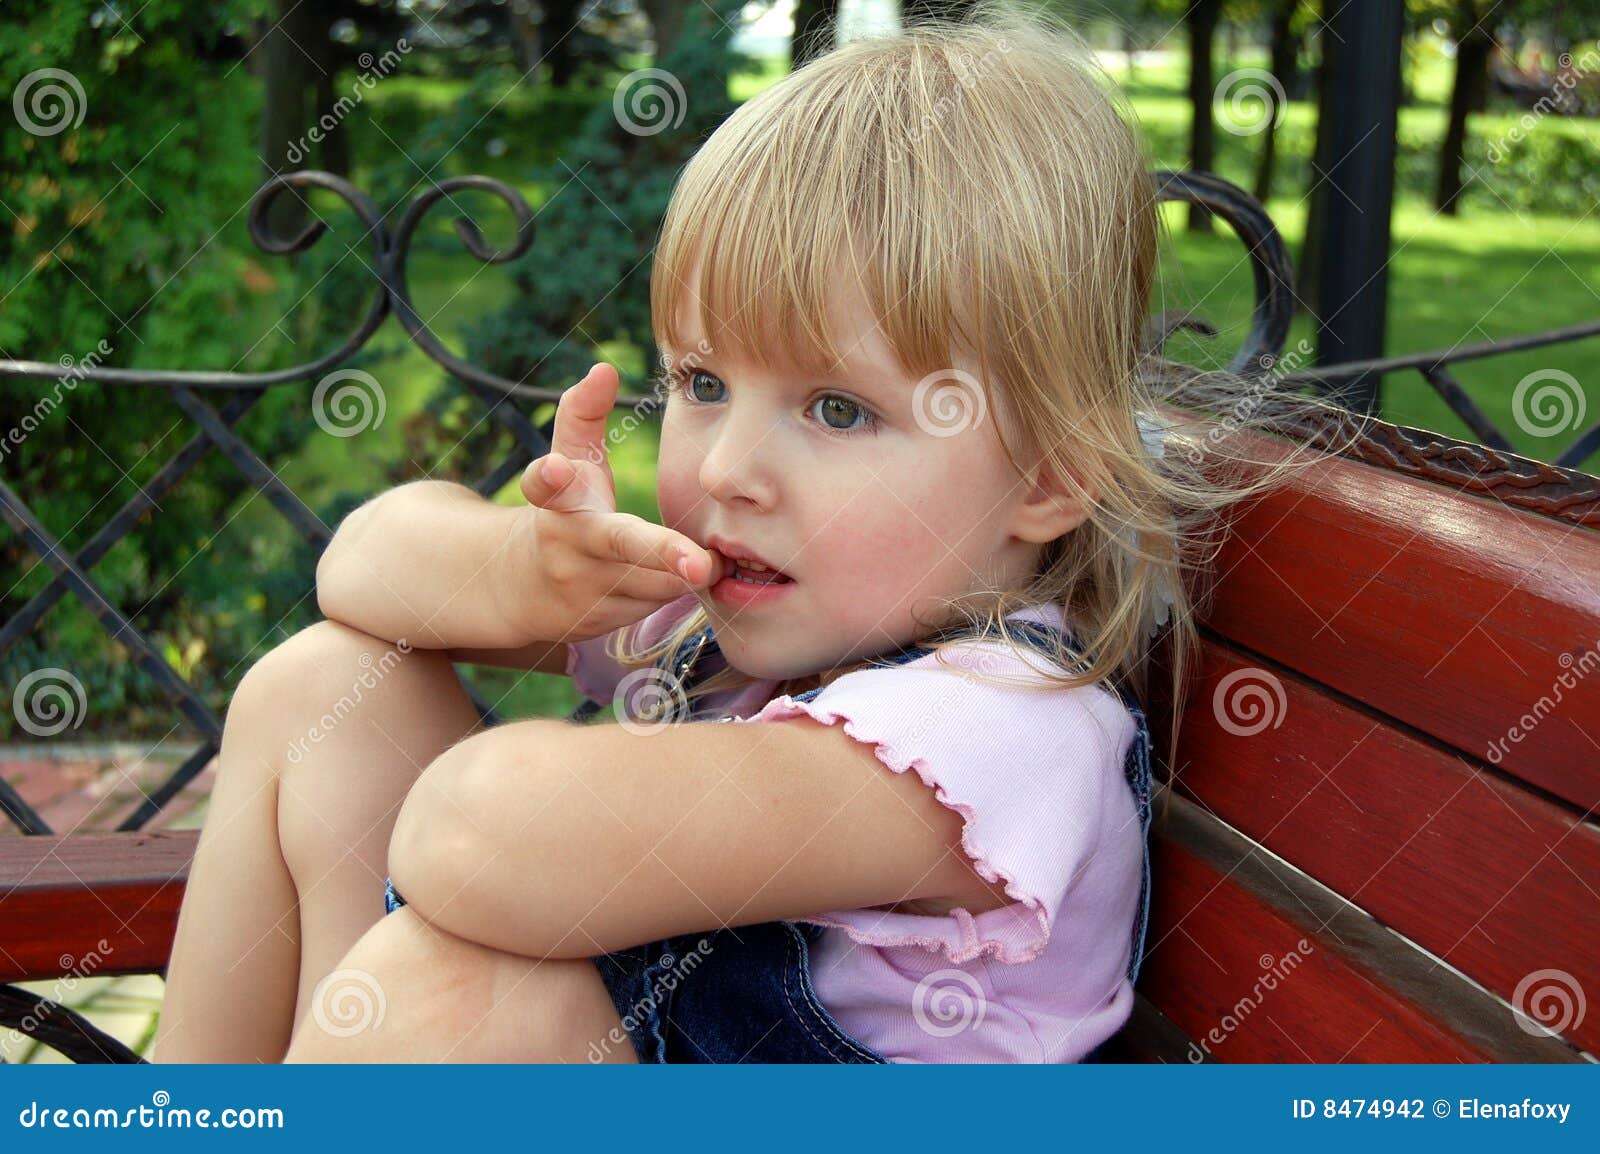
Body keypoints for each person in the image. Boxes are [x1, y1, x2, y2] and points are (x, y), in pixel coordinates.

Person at [153, 0, 1335, 1064]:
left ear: (1050, 474)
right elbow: (362, 566)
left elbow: (476, 837)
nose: (725, 470)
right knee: (323, 689)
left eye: (837, 409)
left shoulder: (1001, 730)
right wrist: (521, 572)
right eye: (703, 383)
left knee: (458, 989)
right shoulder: (766, 602)